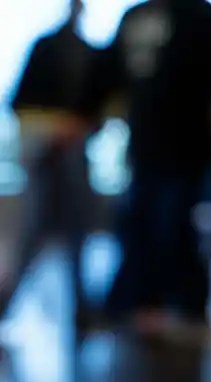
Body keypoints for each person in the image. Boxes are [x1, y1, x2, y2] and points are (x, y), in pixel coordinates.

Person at [80, 0, 211, 335]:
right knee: (140, 224)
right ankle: (143, 307)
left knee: (175, 225)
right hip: (144, 148)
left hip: (188, 147)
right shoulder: (134, 16)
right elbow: (106, 74)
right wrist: (82, 116)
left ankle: (187, 309)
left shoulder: (199, 15)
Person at [1, 0, 96, 330]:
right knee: (34, 229)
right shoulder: (46, 48)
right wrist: (51, 131)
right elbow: (19, 102)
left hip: (70, 152)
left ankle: (82, 309)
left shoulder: (86, 53)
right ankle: (6, 303)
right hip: (43, 150)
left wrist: (75, 129)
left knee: (75, 231)